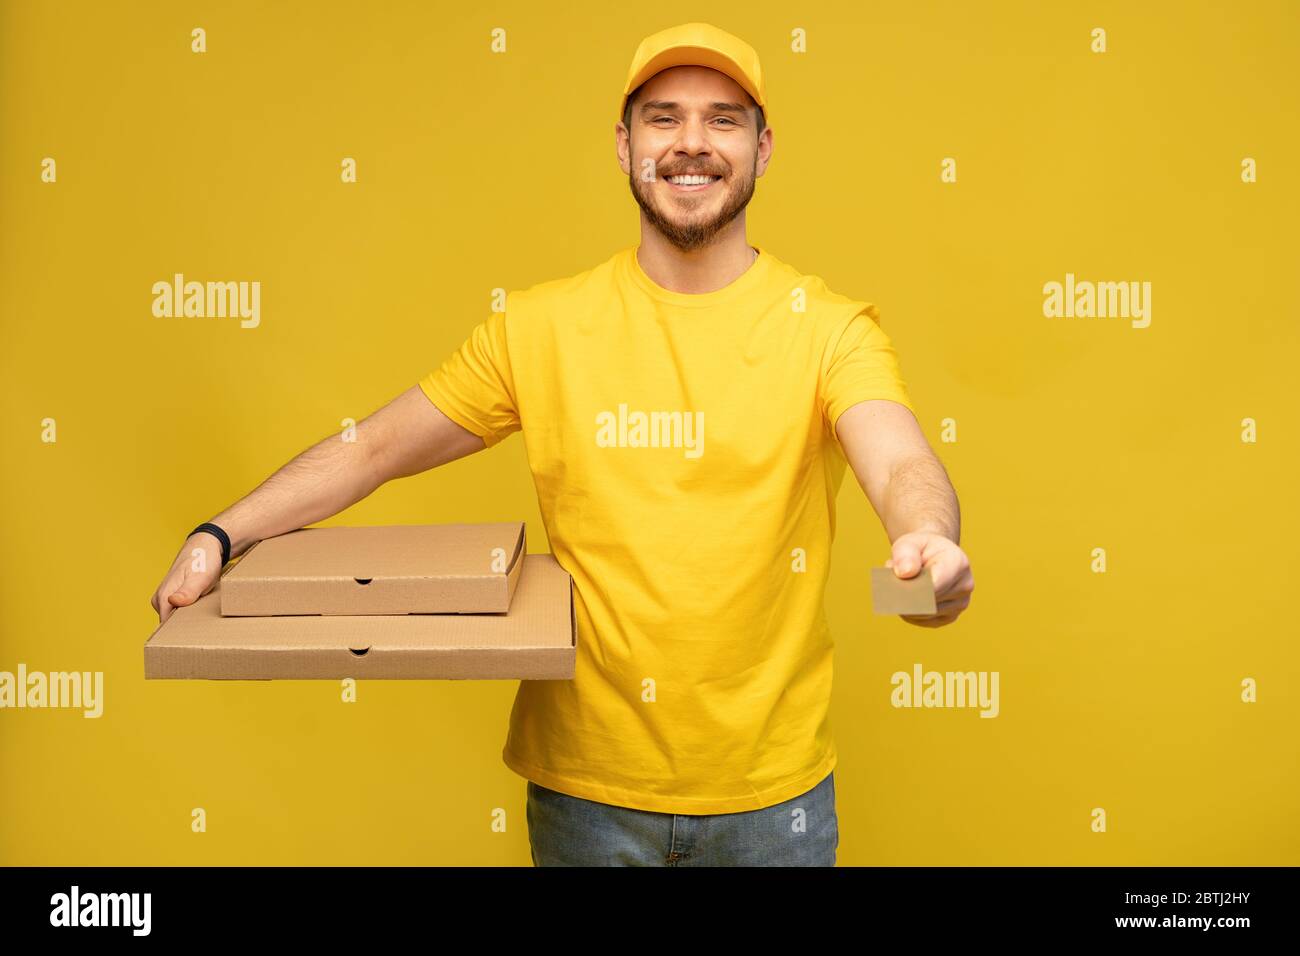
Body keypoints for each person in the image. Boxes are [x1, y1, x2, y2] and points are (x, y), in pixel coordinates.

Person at [150, 21, 974, 866]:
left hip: (776, 802)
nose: (692, 142)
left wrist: (927, 536)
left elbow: (900, 456)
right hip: (585, 796)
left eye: (724, 119)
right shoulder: (540, 329)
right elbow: (374, 449)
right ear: (624, 146)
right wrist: (220, 535)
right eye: (664, 117)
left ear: (766, 149)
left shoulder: (829, 331)